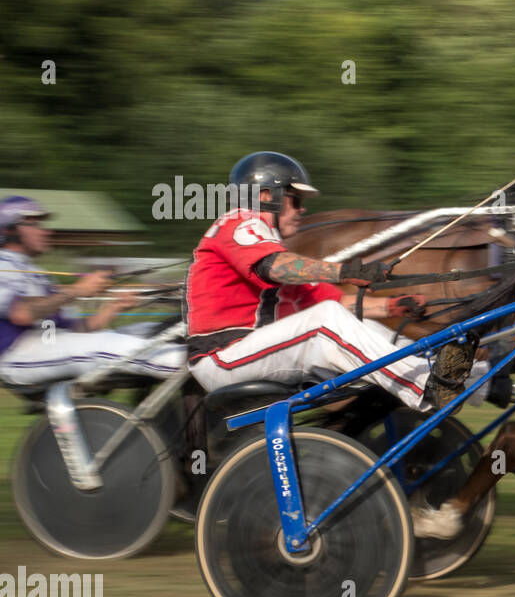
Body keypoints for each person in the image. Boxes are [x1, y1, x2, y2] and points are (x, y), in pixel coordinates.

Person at [183, 151, 474, 412]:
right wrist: (346, 272)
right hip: (222, 358)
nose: (302, 210)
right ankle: (426, 386)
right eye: (295, 199)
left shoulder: (272, 248)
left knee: (360, 324)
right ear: (265, 195)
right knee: (325, 321)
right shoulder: (239, 222)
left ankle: (468, 379)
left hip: (253, 354)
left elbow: (338, 301)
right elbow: (274, 268)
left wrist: (392, 306)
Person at [0, 195, 186, 387]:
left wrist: (112, 308)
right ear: (9, 230)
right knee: (107, 344)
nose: (46, 231)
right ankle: (200, 367)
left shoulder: (36, 272)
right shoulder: (3, 264)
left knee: (148, 331)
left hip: (49, 341)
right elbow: (21, 314)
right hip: (18, 353)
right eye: (34, 223)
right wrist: (77, 290)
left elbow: (77, 330)